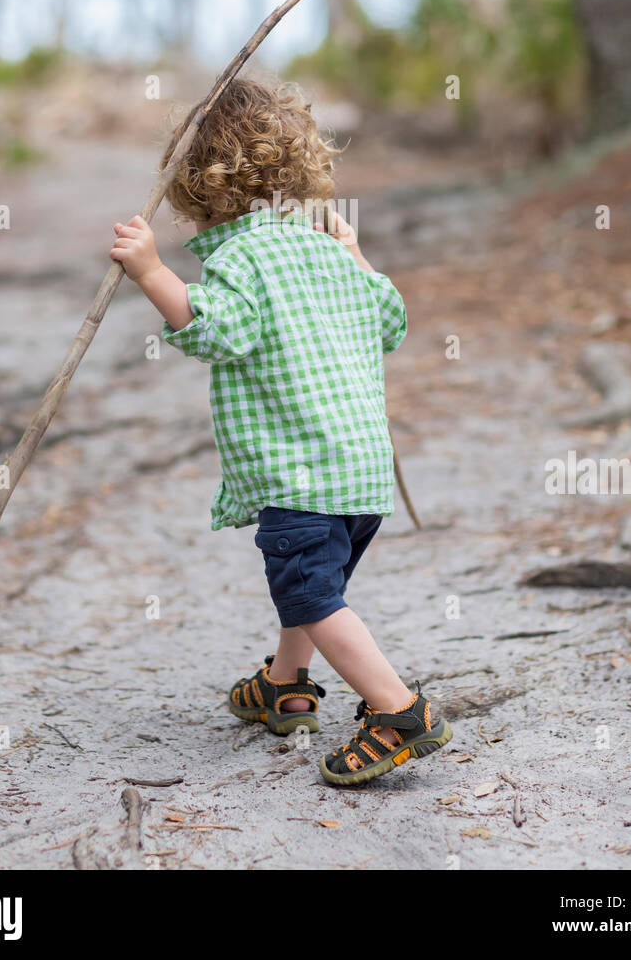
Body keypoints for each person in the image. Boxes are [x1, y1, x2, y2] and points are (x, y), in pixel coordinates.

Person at [110, 78, 450, 787]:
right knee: (309, 587)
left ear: (195, 191)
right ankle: (287, 687)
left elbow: (217, 329)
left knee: (310, 594)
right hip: (361, 479)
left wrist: (151, 274)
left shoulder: (240, 260)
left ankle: (398, 710)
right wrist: (356, 252)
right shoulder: (324, 249)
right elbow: (390, 318)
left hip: (302, 477)